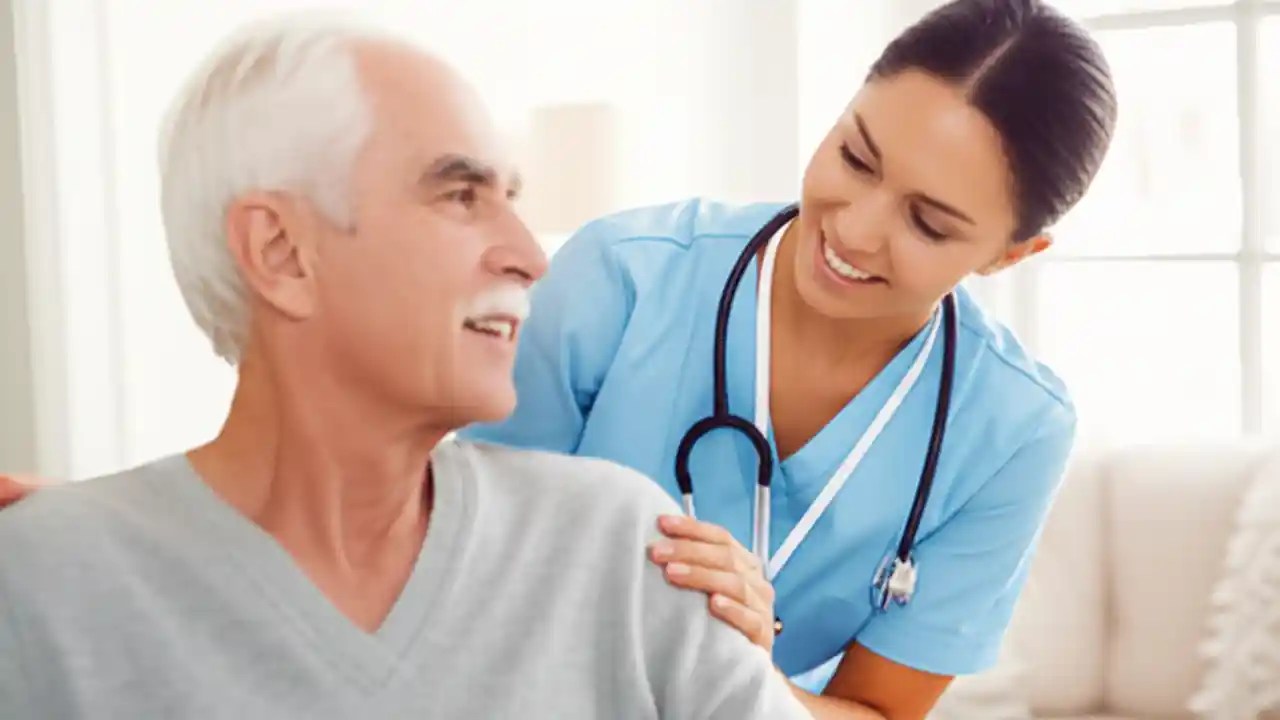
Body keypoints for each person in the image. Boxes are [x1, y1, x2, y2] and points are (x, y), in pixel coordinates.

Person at [0, 16, 813, 720]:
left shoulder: (627, 548)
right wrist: (87, 548)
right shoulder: (45, 586)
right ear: (282, 252)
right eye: (460, 196)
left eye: (511, 199)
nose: (531, 257)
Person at [455, 0, 1118, 717]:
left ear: (1010, 254)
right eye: (855, 158)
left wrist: (741, 676)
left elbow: (880, 711)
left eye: (926, 223)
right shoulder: (621, 279)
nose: (854, 230)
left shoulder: (1012, 429)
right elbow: (464, 573)